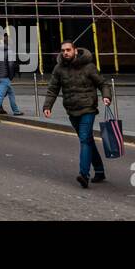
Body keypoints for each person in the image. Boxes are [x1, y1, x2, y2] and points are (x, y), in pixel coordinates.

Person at [42, 42, 112, 188]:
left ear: (75, 50)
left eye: (68, 50)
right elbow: (53, 89)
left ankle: (84, 175)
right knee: (88, 140)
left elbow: (103, 83)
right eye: (63, 51)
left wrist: (106, 96)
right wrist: (47, 105)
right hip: (71, 109)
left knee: (85, 139)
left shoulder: (88, 66)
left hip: (88, 108)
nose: (65, 53)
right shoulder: (59, 68)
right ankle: (99, 170)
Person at [0, 32, 24, 121]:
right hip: (4, 77)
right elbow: (11, 65)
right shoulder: (10, 52)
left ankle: (16, 111)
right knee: (0, 96)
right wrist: (10, 77)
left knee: (11, 93)